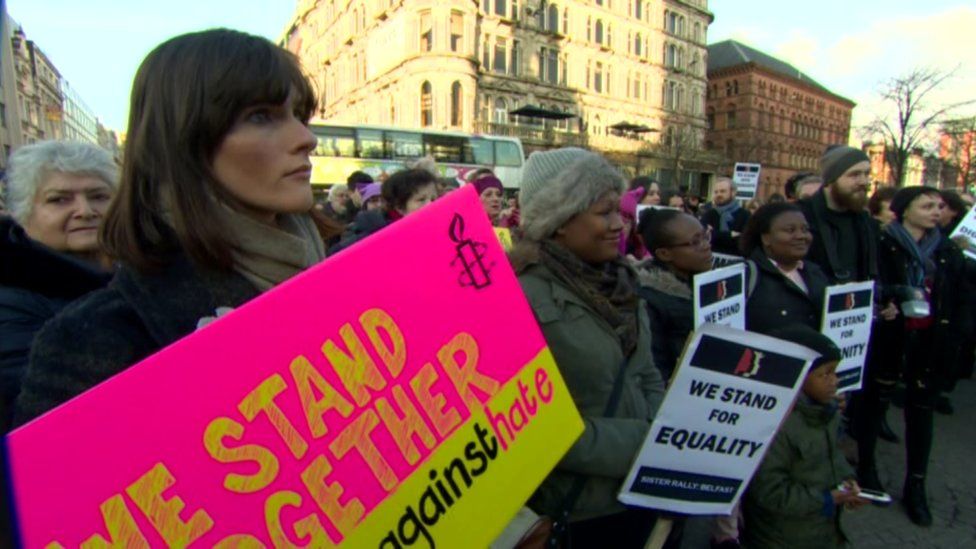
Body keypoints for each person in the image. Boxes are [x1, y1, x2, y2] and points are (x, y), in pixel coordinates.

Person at [13, 29, 341, 425]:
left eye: (300, 116)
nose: (306, 138)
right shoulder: (96, 337)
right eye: (261, 116)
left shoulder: (346, 275)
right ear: (182, 140)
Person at [512, 148, 666, 547]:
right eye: (604, 212)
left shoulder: (623, 282)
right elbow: (531, 428)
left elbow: (646, 372)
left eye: (620, 211)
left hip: (641, 496)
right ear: (559, 220)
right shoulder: (518, 299)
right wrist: (645, 442)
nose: (620, 225)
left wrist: (664, 436)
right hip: (575, 512)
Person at [0, 141, 117, 432]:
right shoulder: (10, 300)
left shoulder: (147, 272)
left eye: (98, 196)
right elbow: (30, 410)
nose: (85, 210)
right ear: (24, 214)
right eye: (60, 200)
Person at [872, 186, 966, 526]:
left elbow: (961, 300)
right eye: (927, 205)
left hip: (930, 343)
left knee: (921, 413)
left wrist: (954, 344)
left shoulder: (949, 250)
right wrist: (893, 296)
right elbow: (872, 283)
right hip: (890, 336)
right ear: (903, 210)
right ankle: (868, 470)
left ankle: (916, 485)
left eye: (939, 206)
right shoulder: (883, 243)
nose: (936, 211)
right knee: (875, 402)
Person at [743, 326, 867, 549]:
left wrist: (847, 482)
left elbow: (833, 455)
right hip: (780, 538)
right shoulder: (776, 426)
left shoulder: (826, 412)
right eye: (825, 374)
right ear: (798, 374)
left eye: (835, 372)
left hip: (822, 531)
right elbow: (769, 492)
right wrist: (827, 499)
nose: (835, 381)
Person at [635, 208, 713, 381]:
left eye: (705, 236)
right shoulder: (648, 302)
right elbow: (655, 370)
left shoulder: (710, 285)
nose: (706, 245)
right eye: (695, 242)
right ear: (664, 254)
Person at [740, 203, 829, 335]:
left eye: (805, 229)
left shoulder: (815, 273)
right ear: (766, 238)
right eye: (790, 230)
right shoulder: (746, 277)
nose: (801, 236)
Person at [329, 168, 437, 254]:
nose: (430, 204)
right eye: (421, 200)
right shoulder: (371, 234)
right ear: (399, 207)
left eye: (433, 199)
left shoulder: (439, 232)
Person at [701, 177, 750, 256]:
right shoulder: (709, 214)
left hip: (737, 261)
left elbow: (745, 241)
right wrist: (729, 235)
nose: (718, 194)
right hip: (711, 259)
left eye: (723, 191)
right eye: (716, 192)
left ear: (733, 193)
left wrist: (715, 234)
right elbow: (703, 236)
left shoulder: (745, 215)